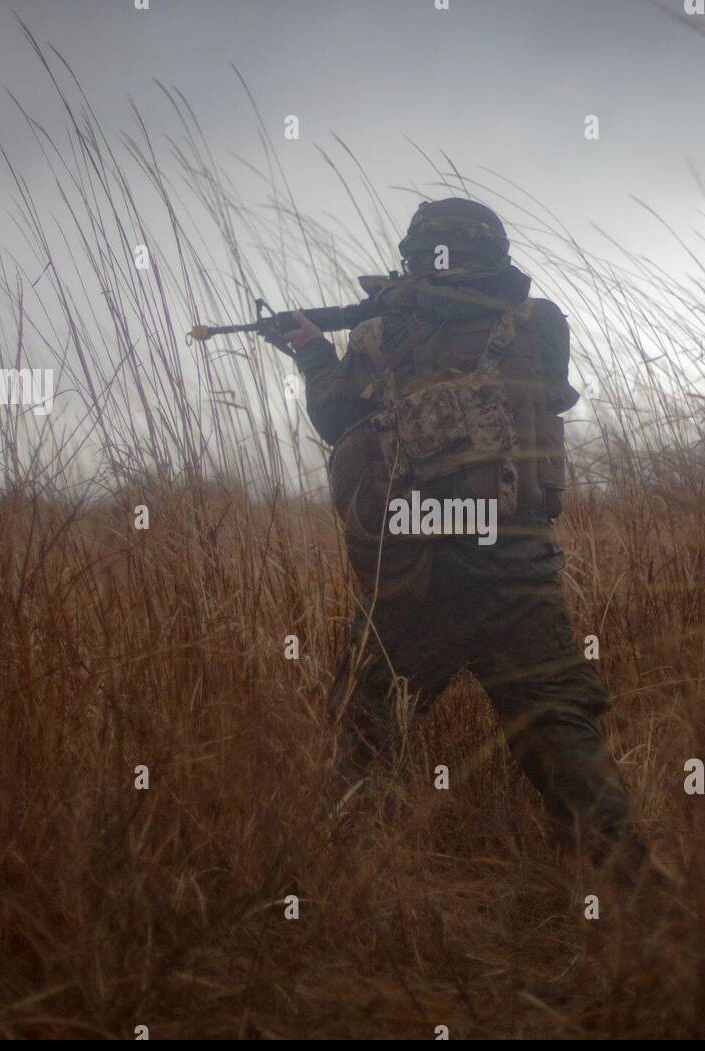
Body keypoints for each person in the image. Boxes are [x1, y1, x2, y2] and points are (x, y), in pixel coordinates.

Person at [272, 198, 644, 871]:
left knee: (366, 729)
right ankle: (627, 886)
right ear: (494, 256)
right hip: (519, 566)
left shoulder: (384, 332)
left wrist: (315, 356)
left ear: (415, 256)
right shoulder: (537, 323)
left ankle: (350, 883)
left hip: (417, 571)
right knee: (558, 725)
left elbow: (337, 423)